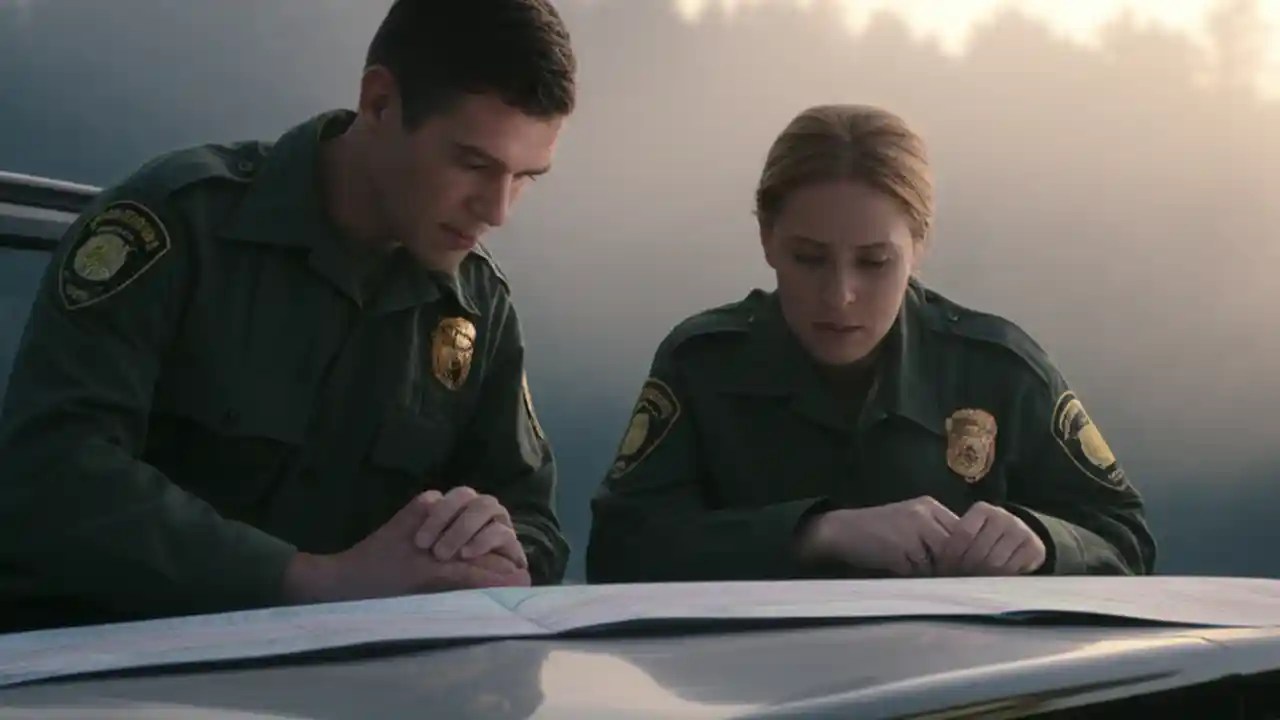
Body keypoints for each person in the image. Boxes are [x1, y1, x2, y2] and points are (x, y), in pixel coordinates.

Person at [0, 0, 575, 632]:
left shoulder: (479, 308)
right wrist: (309, 580)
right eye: (473, 164)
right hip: (98, 664)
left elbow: (535, 524)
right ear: (380, 103)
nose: (498, 211)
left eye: (526, 177)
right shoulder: (176, 228)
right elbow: (49, 474)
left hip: (360, 674)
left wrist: (494, 550)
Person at [586, 104, 1156, 583]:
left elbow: (1125, 538)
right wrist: (813, 533)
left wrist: (1042, 540)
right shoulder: (703, 366)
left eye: (875, 262)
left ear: (920, 246)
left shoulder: (998, 372)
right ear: (766, 238)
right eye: (808, 259)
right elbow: (618, 550)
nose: (840, 296)